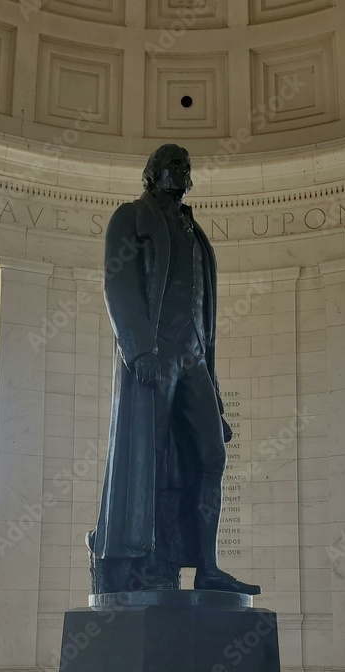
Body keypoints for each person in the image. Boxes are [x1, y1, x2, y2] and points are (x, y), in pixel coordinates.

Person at [90, 143, 260, 596]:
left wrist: (218, 400)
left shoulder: (197, 234)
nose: (181, 171)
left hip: (196, 360)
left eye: (186, 165)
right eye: (171, 164)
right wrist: (139, 349)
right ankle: (143, 562)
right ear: (151, 173)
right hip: (154, 354)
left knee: (211, 456)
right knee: (149, 460)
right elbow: (118, 283)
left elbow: (205, 319)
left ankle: (208, 567)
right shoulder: (131, 218)